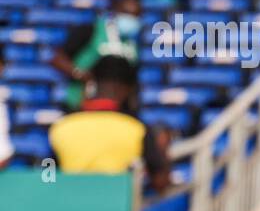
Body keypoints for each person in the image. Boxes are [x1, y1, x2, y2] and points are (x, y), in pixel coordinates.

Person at [48, 55, 169, 190]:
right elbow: (161, 183)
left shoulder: (61, 126)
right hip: (116, 208)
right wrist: (162, 150)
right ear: (126, 89)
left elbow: (47, 177)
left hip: (69, 206)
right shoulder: (136, 128)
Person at [53, 0, 143, 110]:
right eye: (127, 13)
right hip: (81, 103)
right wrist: (79, 73)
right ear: (116, 11)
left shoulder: (133, 42)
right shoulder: (92, 30)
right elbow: (57, 58)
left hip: (116, 108)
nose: (131, 19)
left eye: (135, 16)